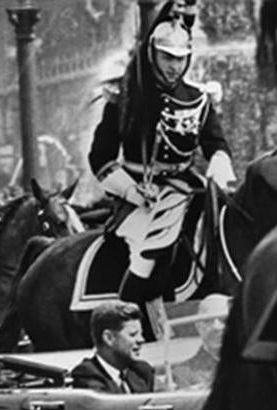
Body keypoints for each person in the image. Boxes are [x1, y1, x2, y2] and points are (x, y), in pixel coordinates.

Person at [88, 1, 236, 337]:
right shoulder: (124, 96)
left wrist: (219, 164)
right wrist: (129, 189)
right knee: (149, 252)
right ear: (153, 54)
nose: (173, 67)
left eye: (180, 58)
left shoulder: (198, 99)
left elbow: (216, 144)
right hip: (138, 194)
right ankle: (125, 321)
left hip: (186, 187)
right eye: (168, 57)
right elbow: (101, 157)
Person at [70, 300, 155, 394]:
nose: (141, 340)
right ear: (109, 338)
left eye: (141, 334)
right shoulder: (86, 376)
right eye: (133, 334)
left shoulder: (142, 372)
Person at [171, 293, 229, 390]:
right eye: (208, 321)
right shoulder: (182, 373)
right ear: (198, 327)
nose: (216, 327)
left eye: (224, 320)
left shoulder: (253, 365)